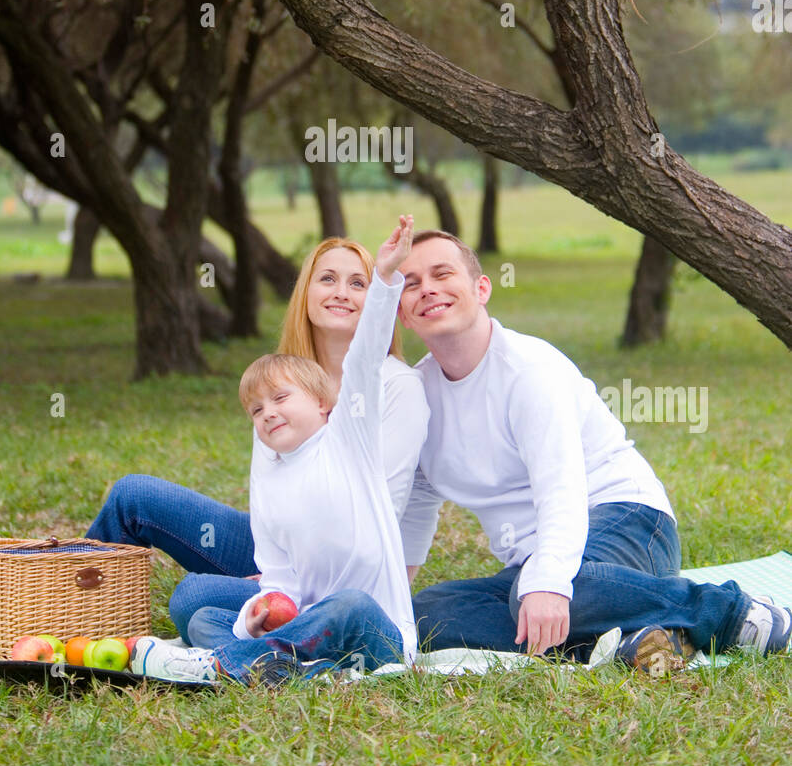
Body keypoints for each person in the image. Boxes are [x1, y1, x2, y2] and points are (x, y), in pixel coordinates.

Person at [396, 230, 792, 673]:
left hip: (628, 522)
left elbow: (561, 490)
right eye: (410, 283)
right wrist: (393, 595)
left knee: (544, 588)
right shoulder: (418, 397)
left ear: (481, 288)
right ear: (403, 313)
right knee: (422, 615)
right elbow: (417, 506)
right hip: (546, 560)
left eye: (442, 273)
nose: (427, 288)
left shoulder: (529, 371)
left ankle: (732, 613)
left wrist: (546, 582)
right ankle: (628, 640)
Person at [86, 235, 429, 640]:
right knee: (134, 495)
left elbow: (380, 509)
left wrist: (283, 589)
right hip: (280, 542)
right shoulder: (277, 387)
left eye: (358, 283)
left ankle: (287, 632)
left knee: (192, 598)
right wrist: (272, 579)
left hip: (342, 565)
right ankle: (65, 611)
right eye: (328, 279)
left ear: (374, 298)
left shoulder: (396, 387)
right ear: (305, 293)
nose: (341, 292)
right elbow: (265, 492)